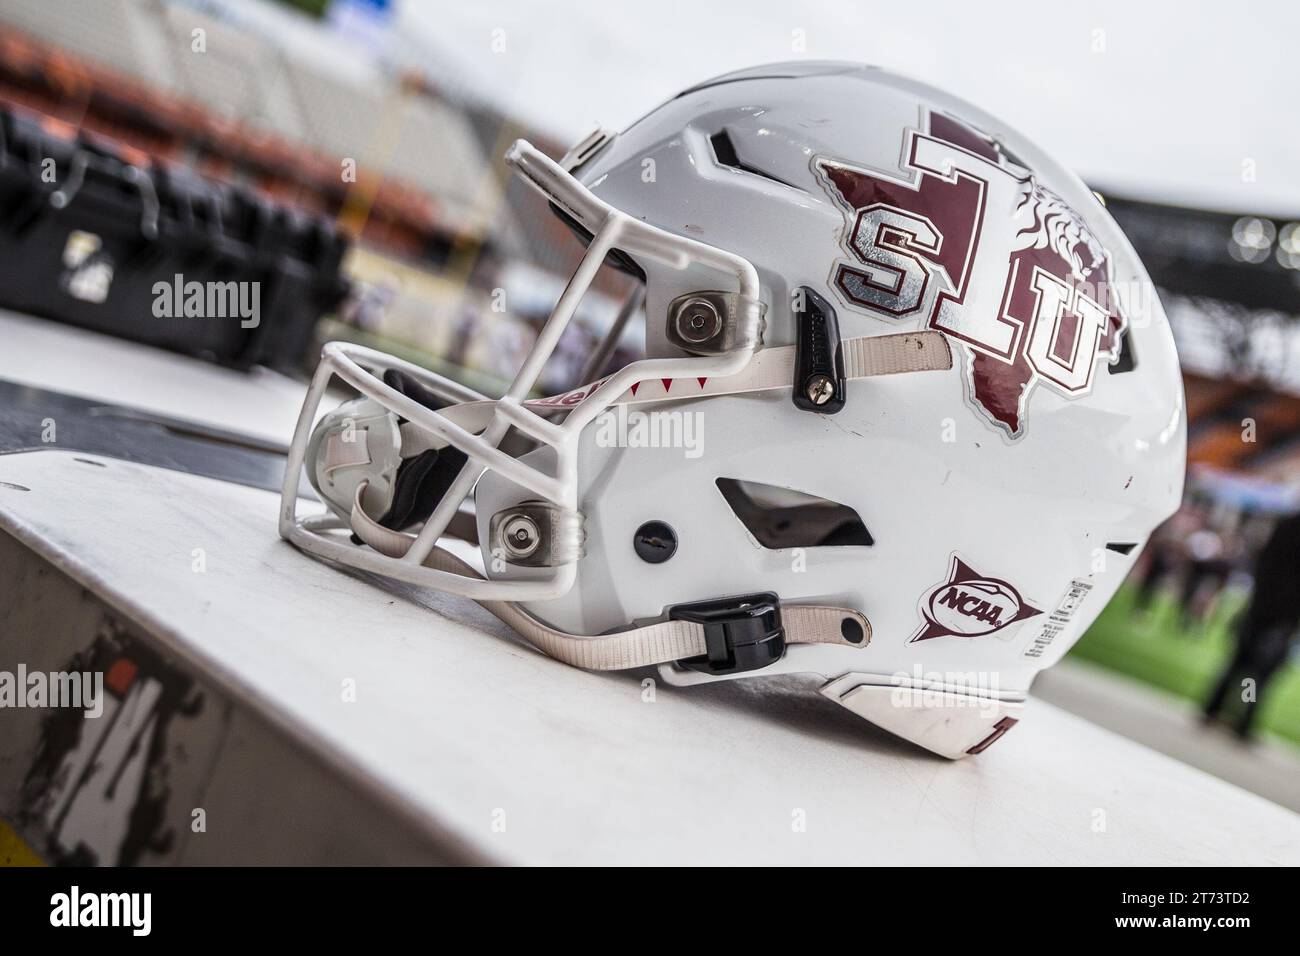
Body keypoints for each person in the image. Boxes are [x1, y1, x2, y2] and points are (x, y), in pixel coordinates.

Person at [1203, 510, 1300, 738]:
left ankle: (1216, 709)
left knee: (1241, 663)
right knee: (1258, 671)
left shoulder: (1286, 524)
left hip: (1261, 606)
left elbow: (1265, 562)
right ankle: (1242, 718)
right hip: (1281, 615)